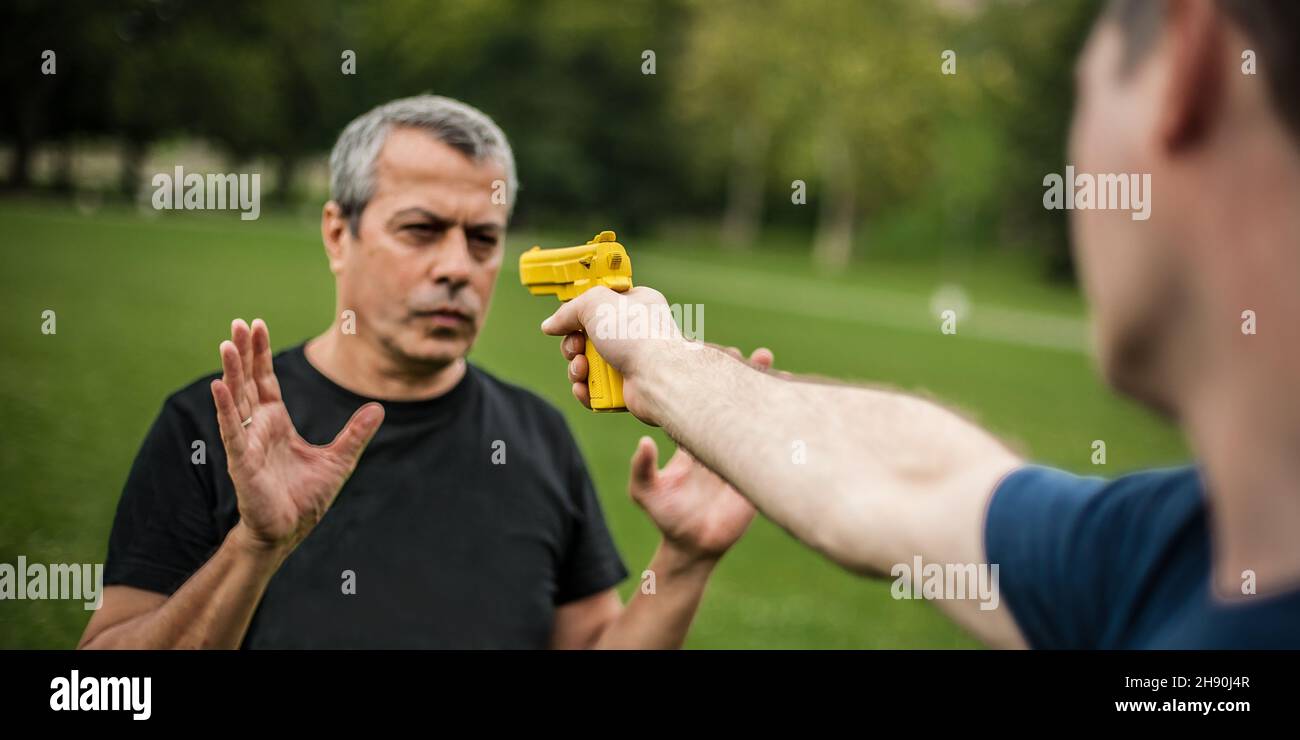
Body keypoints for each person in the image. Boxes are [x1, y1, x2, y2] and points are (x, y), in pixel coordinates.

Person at [540, 0, 1300, 648]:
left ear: (1188, 64)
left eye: (1083, 95)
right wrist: (660, 359)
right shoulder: (1171, 552)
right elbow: (919, 481)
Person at [79, 95, 763, 649]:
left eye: (483, 239)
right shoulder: (210, 426)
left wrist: (684, 561)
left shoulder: (537, 435)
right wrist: (254, 548)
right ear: (337, 234)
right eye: (420, 229)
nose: (458, 268)